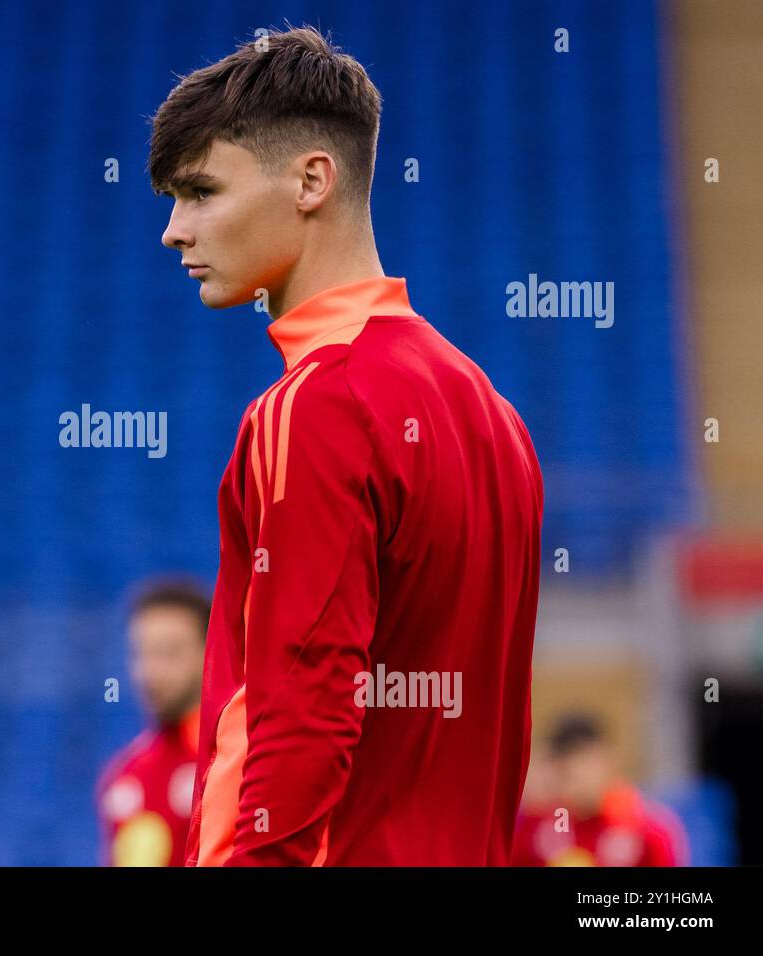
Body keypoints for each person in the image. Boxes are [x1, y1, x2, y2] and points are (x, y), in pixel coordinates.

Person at [150, 26, 544, 865]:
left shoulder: (315, 405)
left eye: (200, 191)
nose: (174, 231)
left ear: (311, 180)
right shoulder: (497, 417)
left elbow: (303, 715)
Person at [96, 579, 208, 866]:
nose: (150, 672)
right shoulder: (125, 774)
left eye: (168, 653)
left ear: (210, 654)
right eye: (141, 653)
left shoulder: (231, 760)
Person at [512, 714, 689, 866]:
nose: (581, 777)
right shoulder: (535, 830)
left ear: (608, 761)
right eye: (569, 769)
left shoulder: (647, 830)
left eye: (587, 764)